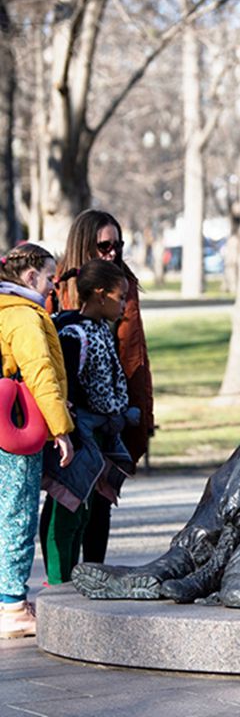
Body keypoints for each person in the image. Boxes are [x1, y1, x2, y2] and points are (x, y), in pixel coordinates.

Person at [50, 209, 154, 564]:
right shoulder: (59, 286)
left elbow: (134, 356)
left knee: (103, 496)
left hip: (113, 410)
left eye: (117, 246)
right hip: (74, 414)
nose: (112, 253)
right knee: (66, 496)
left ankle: (95, 570)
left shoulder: (124, 286)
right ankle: (60, 579)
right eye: (104, 246)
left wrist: (134, 413)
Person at [40, 260, 133, 586]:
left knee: (84, 511)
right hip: (77, 436)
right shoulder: (73, 334)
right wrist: (71, 427)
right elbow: (64, 386)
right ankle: (58, 582)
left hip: (99, 435)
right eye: (120, 297)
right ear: (100, 294)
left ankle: (74, 581)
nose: (124, 305)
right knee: (67, 508)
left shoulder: (101, 331)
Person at [0, 243, 74, 639]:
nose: (52, 287)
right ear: (30, 277)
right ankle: (13, 608)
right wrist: (61, 429)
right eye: (49, 278)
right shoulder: (24, 317)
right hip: (15, 428)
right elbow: (40, 374)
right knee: (17, 514)